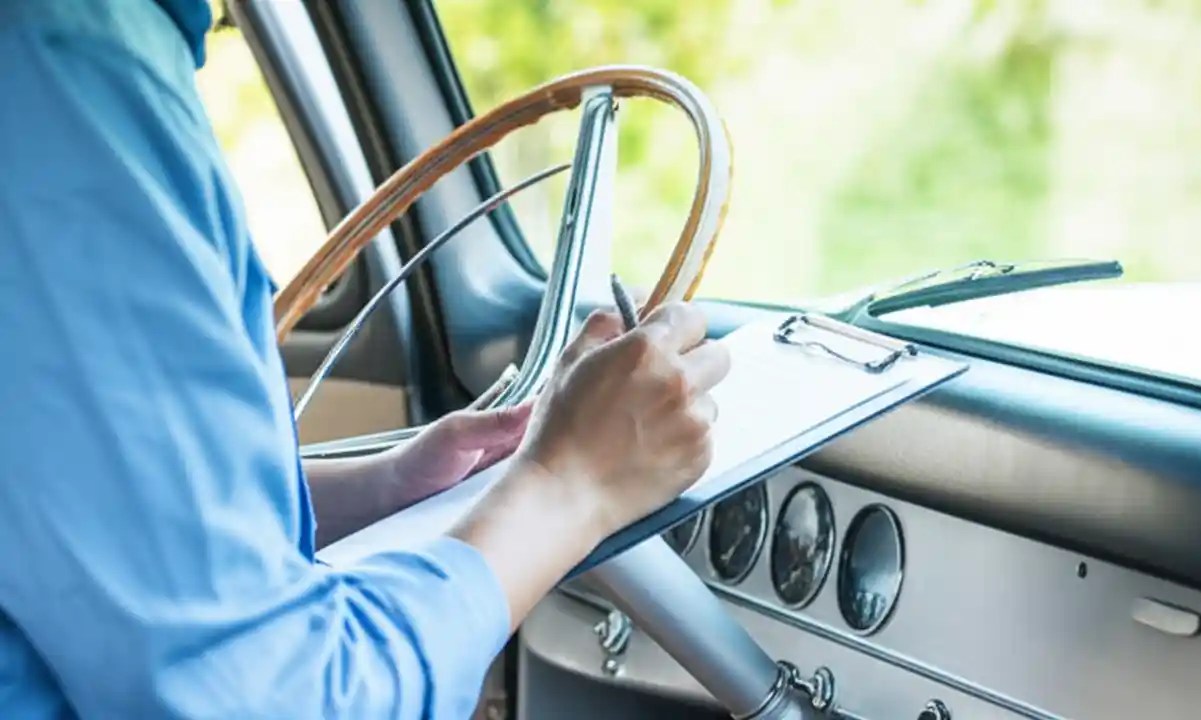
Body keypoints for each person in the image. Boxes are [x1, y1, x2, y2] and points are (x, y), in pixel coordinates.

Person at [0, 1, 729, 718]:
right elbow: (280, 701)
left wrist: (384, 487)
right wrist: (569, 487)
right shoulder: (64, 78)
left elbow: (75, 491)